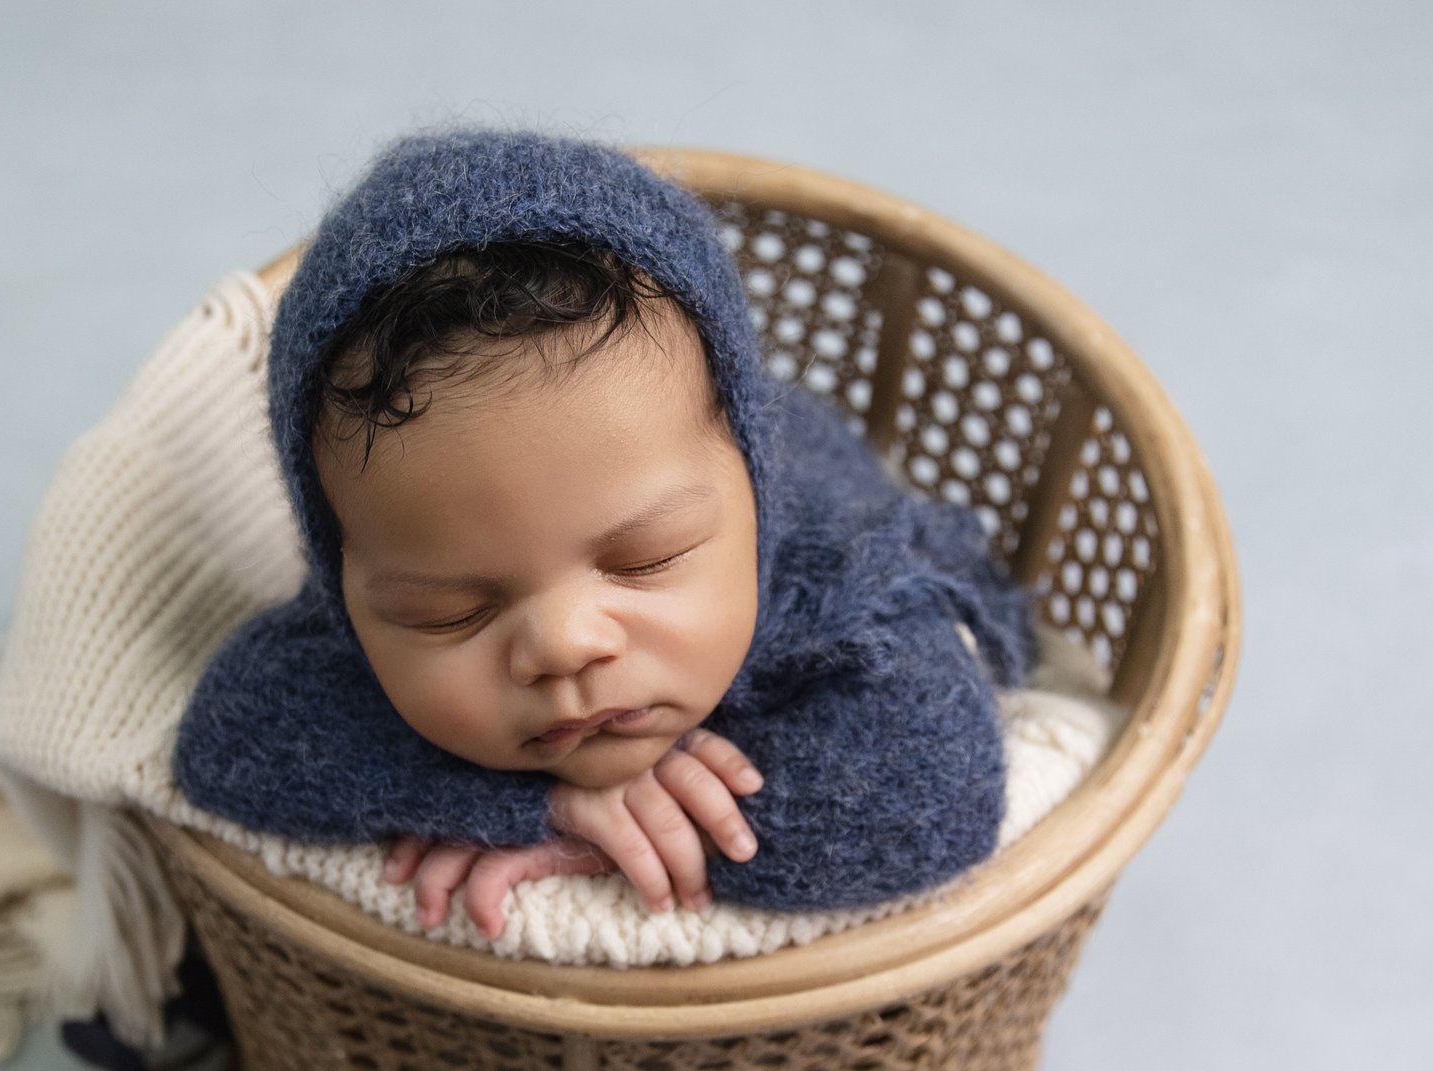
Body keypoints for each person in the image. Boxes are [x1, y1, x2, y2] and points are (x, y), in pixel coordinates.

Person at [174, 127, 1033, 941]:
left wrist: (610, 845)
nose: (564, 648)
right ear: (345, 575)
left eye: (643, 561)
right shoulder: (378, 583)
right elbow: (227, 739)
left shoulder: (838, 580)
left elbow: (934, 801)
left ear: (749, 493)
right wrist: (533, 804)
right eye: (450, 613)